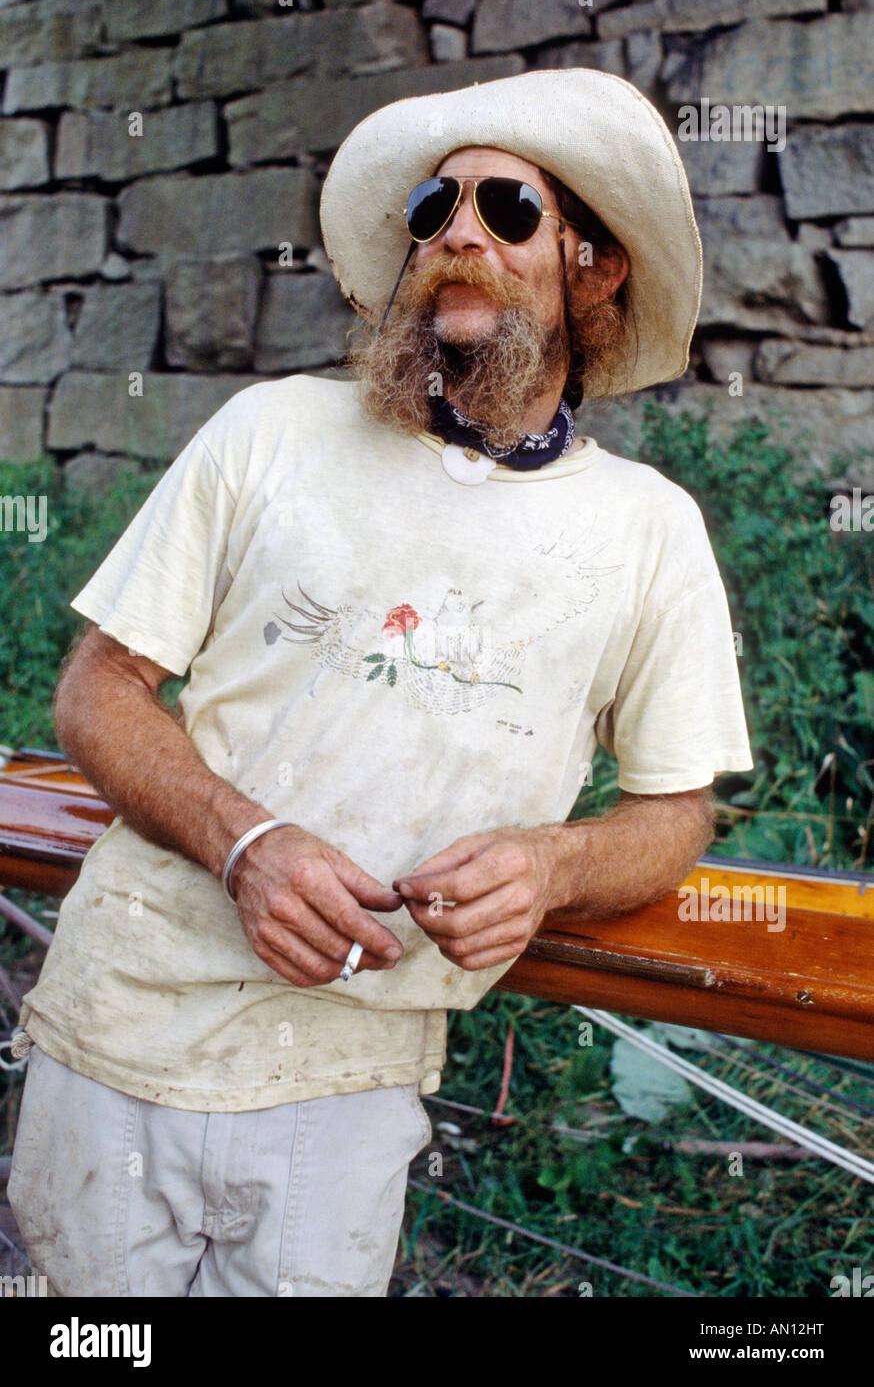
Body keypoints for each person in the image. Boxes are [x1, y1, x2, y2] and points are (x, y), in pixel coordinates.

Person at [8, 68, 753, 1297]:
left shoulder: (648, 530)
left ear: (595, 266)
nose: (457, 231)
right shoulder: (267, 433)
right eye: (432, 205)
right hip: (119, 1031)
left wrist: (552, 865)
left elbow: (675, 810)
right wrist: (243, 841)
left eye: (509, 209)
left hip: (351, 1083)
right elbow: (97, 689)